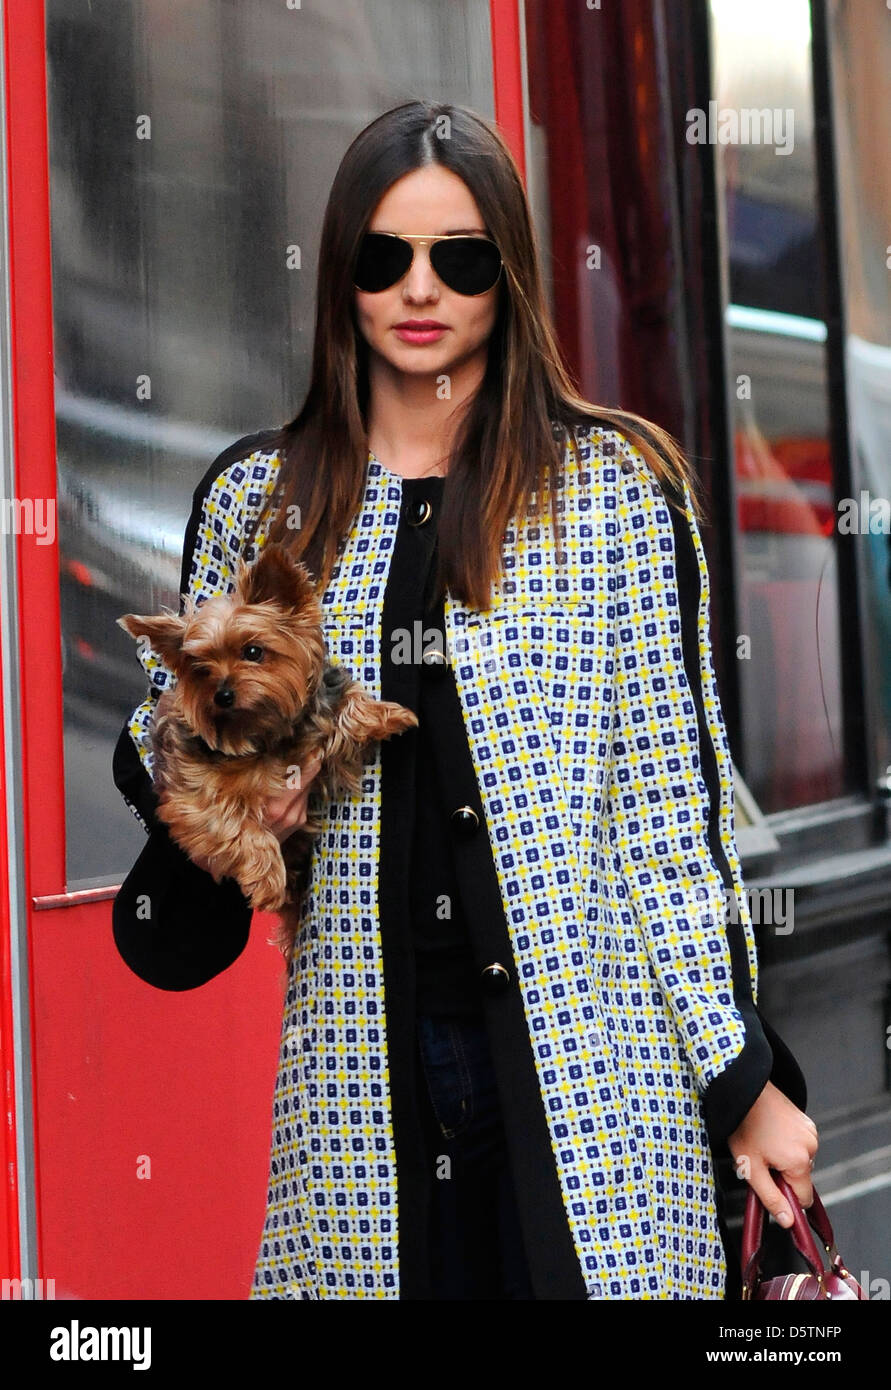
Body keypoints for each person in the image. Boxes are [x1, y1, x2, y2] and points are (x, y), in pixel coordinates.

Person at [112, 100, 817, 1301]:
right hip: (358, 1093)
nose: (420, 289)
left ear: (511, 276)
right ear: (342, 274)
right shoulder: (260, 502)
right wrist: (215, 800)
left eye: (463, 258)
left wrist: (742, 1079)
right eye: (385, 257)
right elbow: (186, 759)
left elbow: (664, 821)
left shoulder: (616, 492)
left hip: (597, 1079)